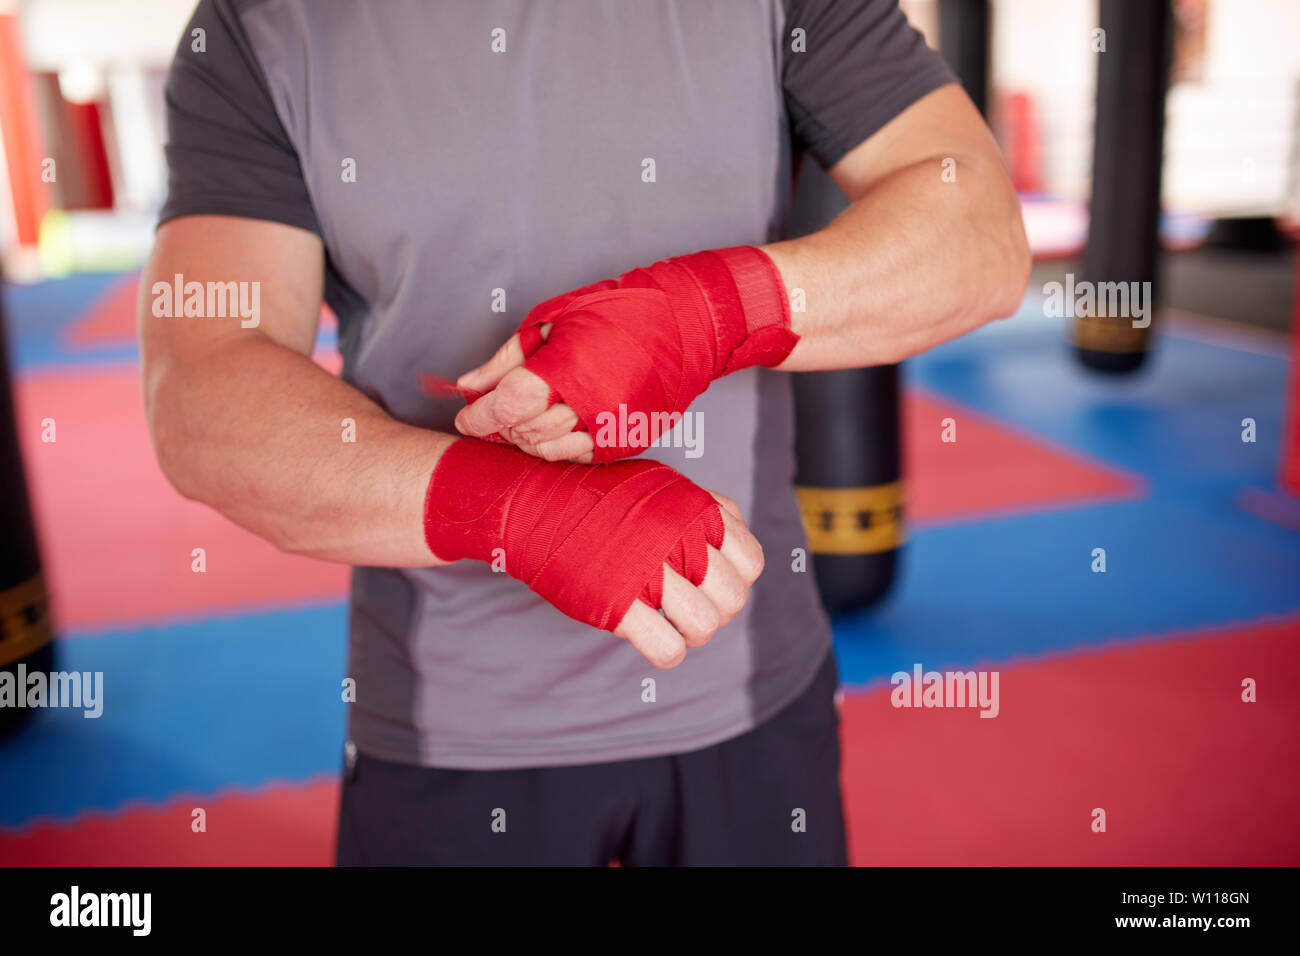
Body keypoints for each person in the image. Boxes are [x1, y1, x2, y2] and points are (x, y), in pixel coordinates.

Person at [141, 0, 1029, 866]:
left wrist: (706, 314)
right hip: (450, 730)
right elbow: (202, 387)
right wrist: (515, 511)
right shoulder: (258, 26)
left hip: (752, 688)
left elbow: (979, 229)